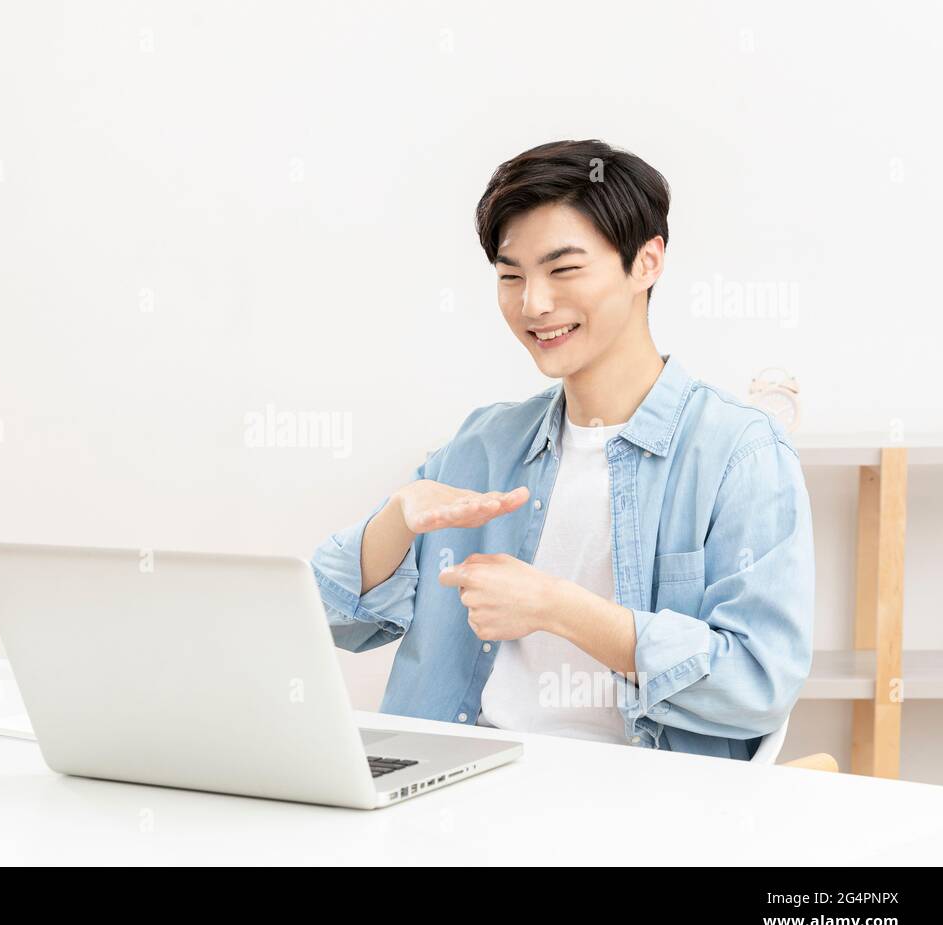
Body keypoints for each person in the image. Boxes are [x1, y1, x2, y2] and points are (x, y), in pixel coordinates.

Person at [310, 139, 815, 759]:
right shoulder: (484, 444)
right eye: (510, 275)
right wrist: (396, 518)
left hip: (641, 807)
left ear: (647, 262)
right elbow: (331, 619)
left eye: (564, 269)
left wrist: (556, 606)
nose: (533, 304)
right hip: (453, 792)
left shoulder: (738, 452)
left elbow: (756, 684)